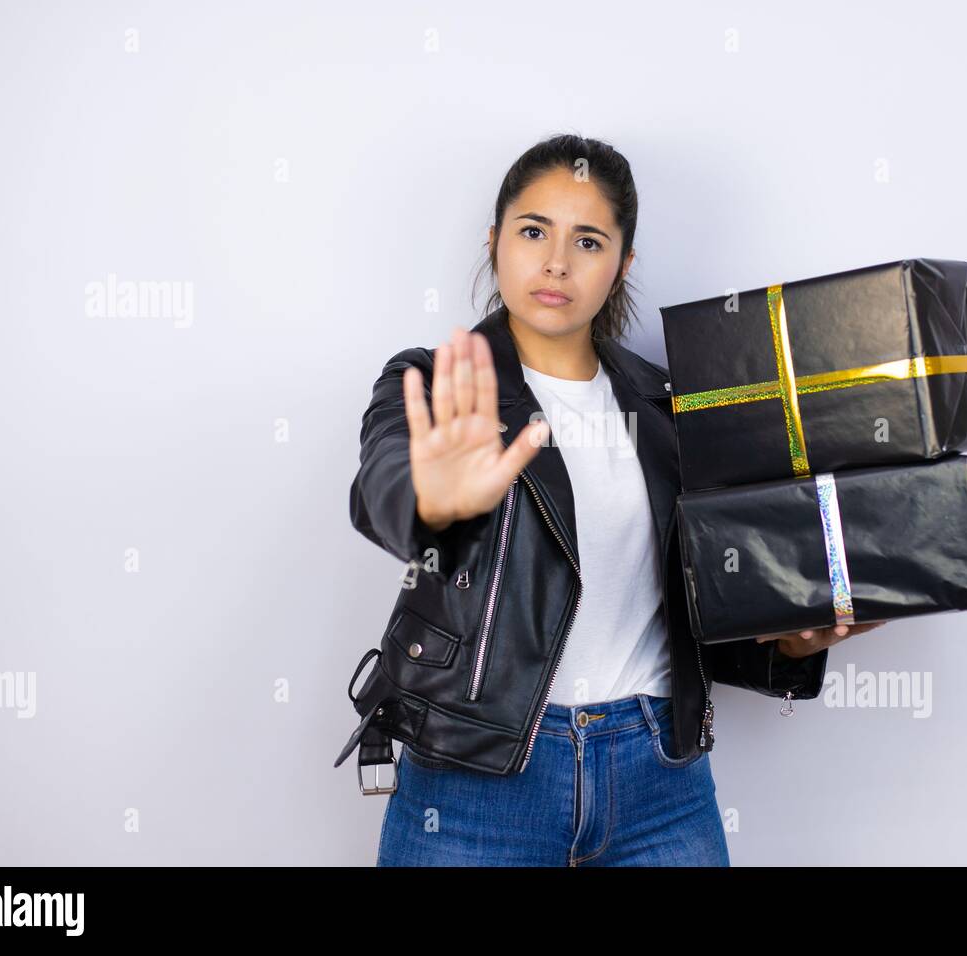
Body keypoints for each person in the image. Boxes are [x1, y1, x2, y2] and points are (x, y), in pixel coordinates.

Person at [349, 133, 886, 866]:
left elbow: (704, 591)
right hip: (476, 780)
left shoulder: (670, 404)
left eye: (589, 241)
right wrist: (429, 503)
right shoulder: (436, 382)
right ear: (495, 239)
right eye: (533, 231)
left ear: (622, 265)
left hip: (659, 776)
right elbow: (381, 483)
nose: (556, 262)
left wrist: (790, 643)